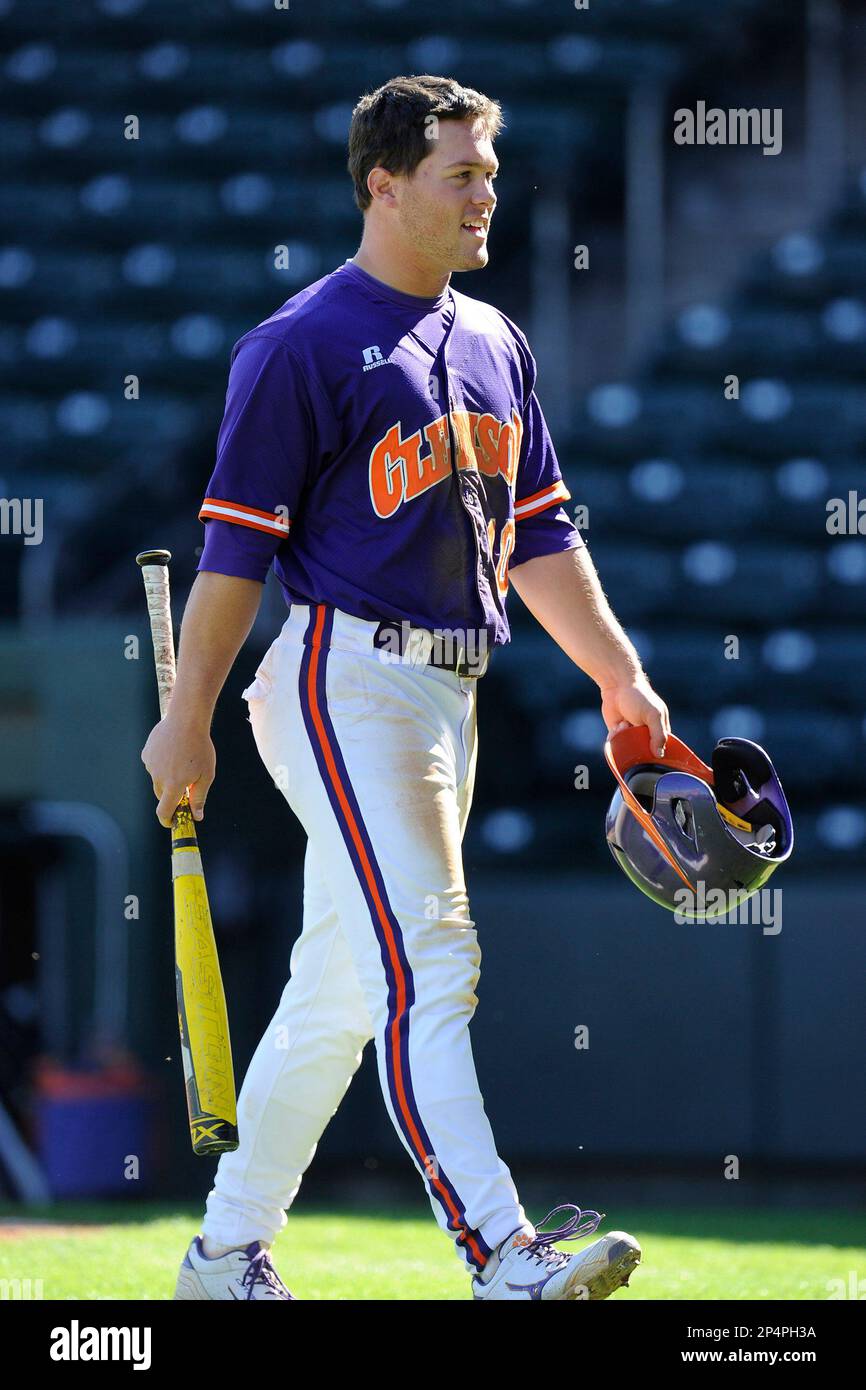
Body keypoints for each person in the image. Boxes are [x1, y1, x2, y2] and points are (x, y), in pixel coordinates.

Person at [142, 74, 670, 1302]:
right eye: (462, 174)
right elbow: (232, 556)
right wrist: (186, 717)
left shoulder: (493, 340)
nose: (489, 194)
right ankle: (501, 1252)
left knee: (340, 984)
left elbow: (540, 536)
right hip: (343, 678)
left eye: (489, 171)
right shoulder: (297, 344)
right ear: (383, 186)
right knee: (432, 958)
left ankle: (223, 1255)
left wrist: (618, 675)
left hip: (448, 694)